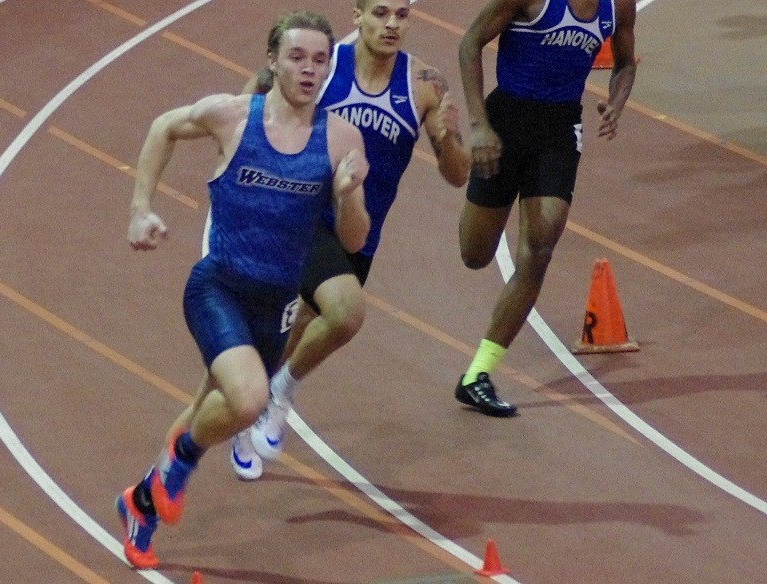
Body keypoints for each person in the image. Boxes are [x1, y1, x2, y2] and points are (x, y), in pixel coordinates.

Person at [114, 9, 369, 569]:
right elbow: (163, 126)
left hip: (275, 308)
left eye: (320, 60)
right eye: (297, 57)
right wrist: (140, 209)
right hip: (218, 287)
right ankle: (177, 465)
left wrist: (350, 195)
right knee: (250, 399)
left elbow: (353, 238)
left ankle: (140, 504)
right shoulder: (231, 116)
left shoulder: (340, 138)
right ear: (273, 60)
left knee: (212, 402)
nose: (309, 70)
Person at [229, 0, 472, 480]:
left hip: (359, 230)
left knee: (302, 325)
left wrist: (446, 139)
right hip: (300, 214)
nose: (391, 25)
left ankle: (254, 402)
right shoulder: (322, 64)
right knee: (344, 313)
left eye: (402, 14)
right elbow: (250, 103)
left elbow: (458, 175)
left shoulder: (424, 85)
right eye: (380, 13)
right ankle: (277, 395)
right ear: (357, 14)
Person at [454, 0, 637, 415]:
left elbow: (625, 62)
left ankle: (478, 374)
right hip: (505, 124)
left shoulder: (618, 6)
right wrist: (479, 124)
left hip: (559, 132)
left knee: (539, 249)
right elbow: (470, 43)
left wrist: (616, 102)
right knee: (475, 254)